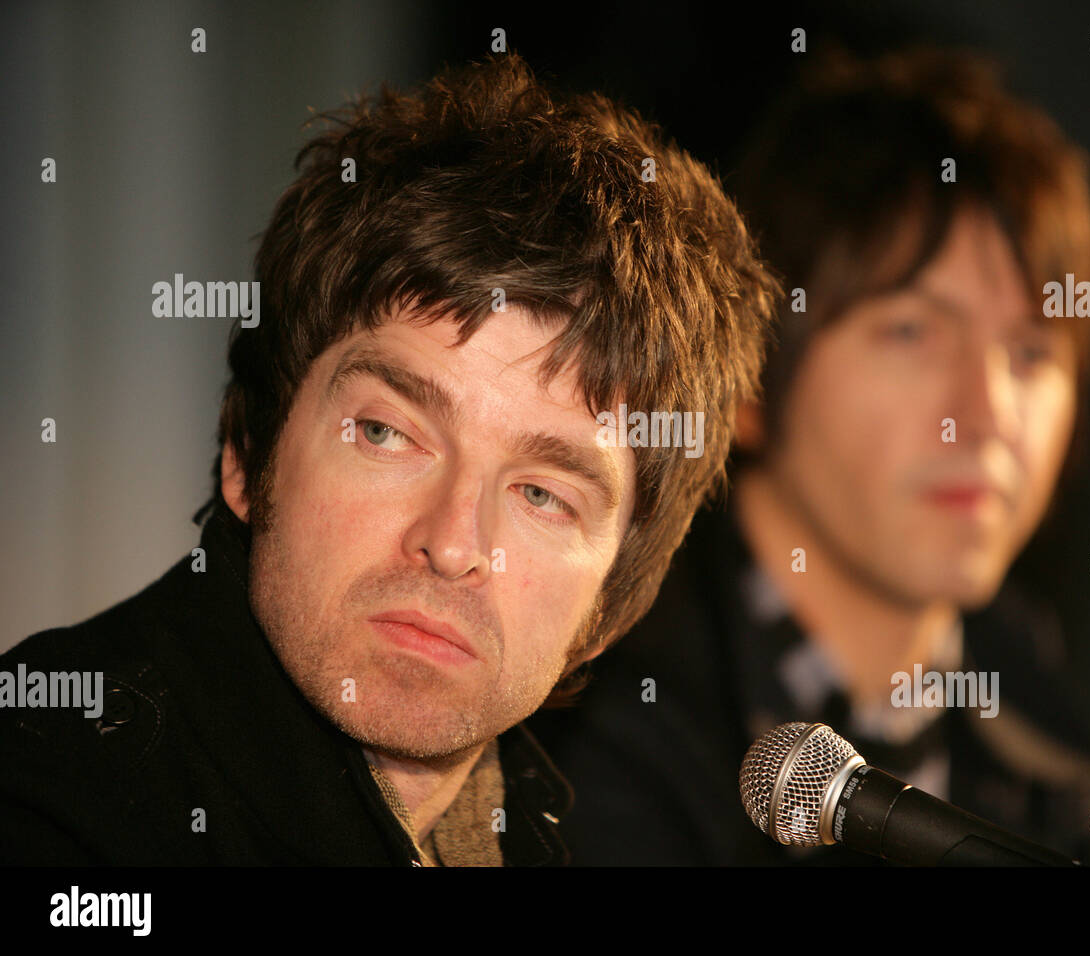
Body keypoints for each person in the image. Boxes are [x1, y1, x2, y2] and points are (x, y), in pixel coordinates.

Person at [0, 52, 780, 865]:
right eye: (387, 434)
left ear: (613, 611)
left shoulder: (536, 835)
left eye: (543, 495)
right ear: (247, 451)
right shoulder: (51, 804)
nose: (451, 544)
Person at [530, 45, 1090, 865]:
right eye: (911, 333)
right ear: (749, 382)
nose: (988, 413)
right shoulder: (593, 718)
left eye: (1031, 354)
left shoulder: (1045, 743)